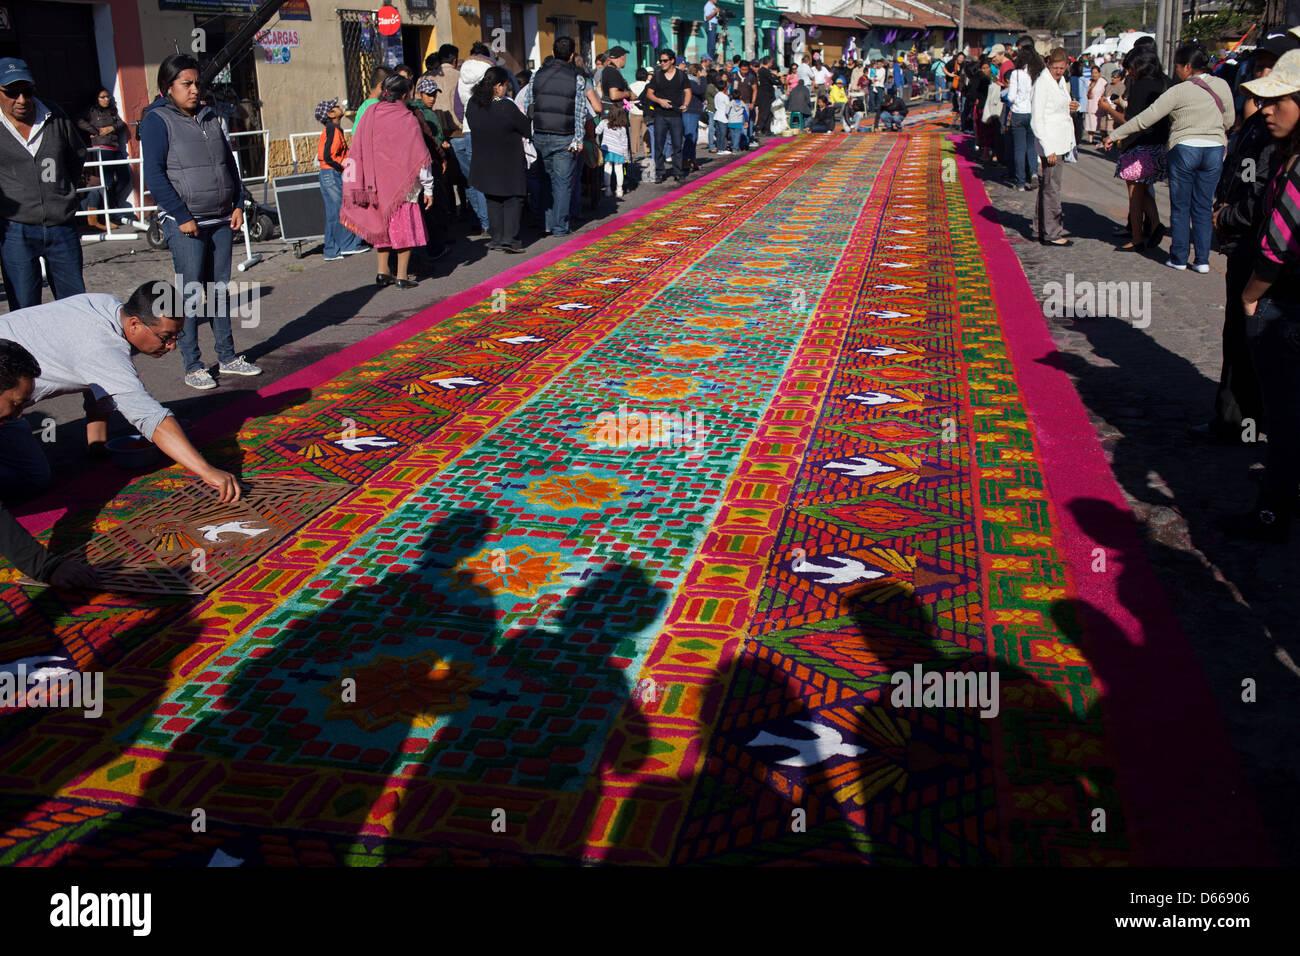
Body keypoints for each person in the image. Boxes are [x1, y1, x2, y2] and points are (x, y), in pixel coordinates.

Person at [0, 282, 242, 504]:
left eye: (177, 336)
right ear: (135, 324)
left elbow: (99, 384)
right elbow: (150, 418)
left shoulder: (109, 306)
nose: (171, 345)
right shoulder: (104, 348)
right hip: (4, 388)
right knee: (30, 478)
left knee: (34, 472)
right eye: (166, 337)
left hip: (12, 399)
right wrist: (206, 470)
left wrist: (97, 443)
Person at [141, 54, 260, 391]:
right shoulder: (156, 120)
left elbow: (229, 163)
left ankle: (228, 356)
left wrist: (238, 202)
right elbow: (155, 174)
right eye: (186, 84)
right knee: (192, 293)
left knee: (219, 290)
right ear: (168, 88)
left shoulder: (210, 116)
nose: (194, 90)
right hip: (186, 224)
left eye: (197, 83)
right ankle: (192, 364)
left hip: (222, 218)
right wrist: (181, 216)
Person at [1205, 33, 1300, 444]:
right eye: (1258, 65)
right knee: (1241, 341)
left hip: (1259, 249)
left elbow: (1269, 200)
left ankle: (1241, 427)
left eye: (1271, 65)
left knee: (1252, 342)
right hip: (1246, 243)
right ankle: (1242, 422)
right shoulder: (1258, 117)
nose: (1263, 74)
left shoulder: (1282, 136)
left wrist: (1229, 216)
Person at [1230, 50, 1300, 540]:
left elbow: (1278, 245)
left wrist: (1252, 296)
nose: (1266, 110)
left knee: (1284, 415)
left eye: (1279, 101)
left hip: (1286, 305)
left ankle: (1272, 513)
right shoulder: (1284, 154)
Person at [1107, 41, 1233, 273]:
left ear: (1187, 66)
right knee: (1203, 206)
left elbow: (1146, 118)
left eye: (1177, 66)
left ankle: (1178, 257)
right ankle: (1202, 261)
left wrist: (1114, 134)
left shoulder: (1179, 90)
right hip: (1214, 149)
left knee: (1181, 206)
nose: (1175, 71)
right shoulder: (1222, 85)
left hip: (1184, 148)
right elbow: (1230, 120)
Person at [0, 58, 87, 311]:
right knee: (25, 307)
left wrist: (61, 192)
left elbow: (76, 157)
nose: (22, 99)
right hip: (16, 230)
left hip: (62, 227)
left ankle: (74, 350)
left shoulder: (54, 116)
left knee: (74, 303)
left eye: (27, 91)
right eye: (12, 92)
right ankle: (27, 352)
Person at [341, 73, 434, 289]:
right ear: (404, 94)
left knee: (381, 228)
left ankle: (383, 272)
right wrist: (429, 188)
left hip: (376, 184)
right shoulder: (406, 119)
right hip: (403, 185)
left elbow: (358, 147)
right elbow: (419, 157)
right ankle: (402, 275)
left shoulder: (371, 113)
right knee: (404, 229)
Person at [517, 37, 604, 236]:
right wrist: (578, 139)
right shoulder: (576, 78)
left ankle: (546, 222)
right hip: (565, 136)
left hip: (540, 134)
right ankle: (559, 226)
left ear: (554, 52)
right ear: (572, 55)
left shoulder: (537, 76)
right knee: (562, 182)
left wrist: (531, 132)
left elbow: (529, 105)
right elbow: (580, 111)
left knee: (546, 179)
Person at [1099, 50, 1169, 251]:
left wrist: (1109, 110)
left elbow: (1130, 121)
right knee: (1144, 191)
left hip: (1139, 145)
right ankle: (1155, 225)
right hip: (1157, 144)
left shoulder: (1141, 86)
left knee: (1135, 194)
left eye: (1130, 68)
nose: (1128, 72)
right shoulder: (1163, 82)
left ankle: (1137, 237)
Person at [466, 66, 529, 254]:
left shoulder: (473, 104)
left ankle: (497, 237)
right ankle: (510, 239)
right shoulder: (505, 106)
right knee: (513, 199)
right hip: (508, 159)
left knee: (493, 198)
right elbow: (525, 127)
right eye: (504, 86)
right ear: (498, 85)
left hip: (484, 158)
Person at [1031, 48, 1078, 247]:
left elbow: (1056, 108)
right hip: (1050, 143)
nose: (1058, 71)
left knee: (1047, 187)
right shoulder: (1043, 83)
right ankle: (1051, 232)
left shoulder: (1059, 82)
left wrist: (1071, 106)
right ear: (1048, 64)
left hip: (1059, 140)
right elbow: (1037, 119)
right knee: (1052, 189)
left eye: (1062, 68)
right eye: (1055, 68)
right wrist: (1048, 148)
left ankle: (1039, 227)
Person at [314, 98, 370, 262]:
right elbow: (327, 155)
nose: (340, 108)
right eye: (336, 107)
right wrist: (342, 163)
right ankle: (348, 245)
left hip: (327, 174)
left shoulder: (332, 129)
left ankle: (331, 250)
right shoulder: (333, 129)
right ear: (331, 114)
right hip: (332, 173)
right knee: (344, 209)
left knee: (333, 213)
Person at [452, 43, 496, 238]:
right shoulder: (492, 71)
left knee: (475, 178)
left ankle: (483, 222)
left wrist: (468, 121)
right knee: (493, 176)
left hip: (469, 129)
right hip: (488, 129)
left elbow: (458, 107)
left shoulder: (462, 74)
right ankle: (494, 221)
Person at [77, 88, 131, 227]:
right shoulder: (91, 111)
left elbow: (121, 123)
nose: (106, 99)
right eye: (103, 97)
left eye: (108, 97)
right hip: (102, 149)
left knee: (125, 177)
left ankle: (111, 204)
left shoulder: (112, 110)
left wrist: (111, 128)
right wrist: (94, 130)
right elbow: (79, 120)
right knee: (107, 182)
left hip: (115, 148)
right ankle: (109, 214)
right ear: (97, 99)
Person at [643, 48, 692, 184]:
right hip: (660, 115)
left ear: (672, 61)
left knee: (677, 145)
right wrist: (660, 101)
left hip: (676, 115)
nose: (662, 63)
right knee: (659, 144)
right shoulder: (658, 76)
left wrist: (686, 104)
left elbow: (688, 91)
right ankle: (659, 172)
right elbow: (649, 93)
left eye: (665, 61)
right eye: (661, 61)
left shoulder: (681, 75)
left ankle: (678, 172)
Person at [1085, 65, 1105, 144]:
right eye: (1092, 73)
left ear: (1099, 73)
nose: (1094, 75)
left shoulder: (1103, 82)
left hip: (1098, 105)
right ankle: (1090, 139)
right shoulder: (1089, 81)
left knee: (1099, 124)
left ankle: (1102, 140)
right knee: (1089, 122)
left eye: (1096, 73)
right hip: (1089, 104)